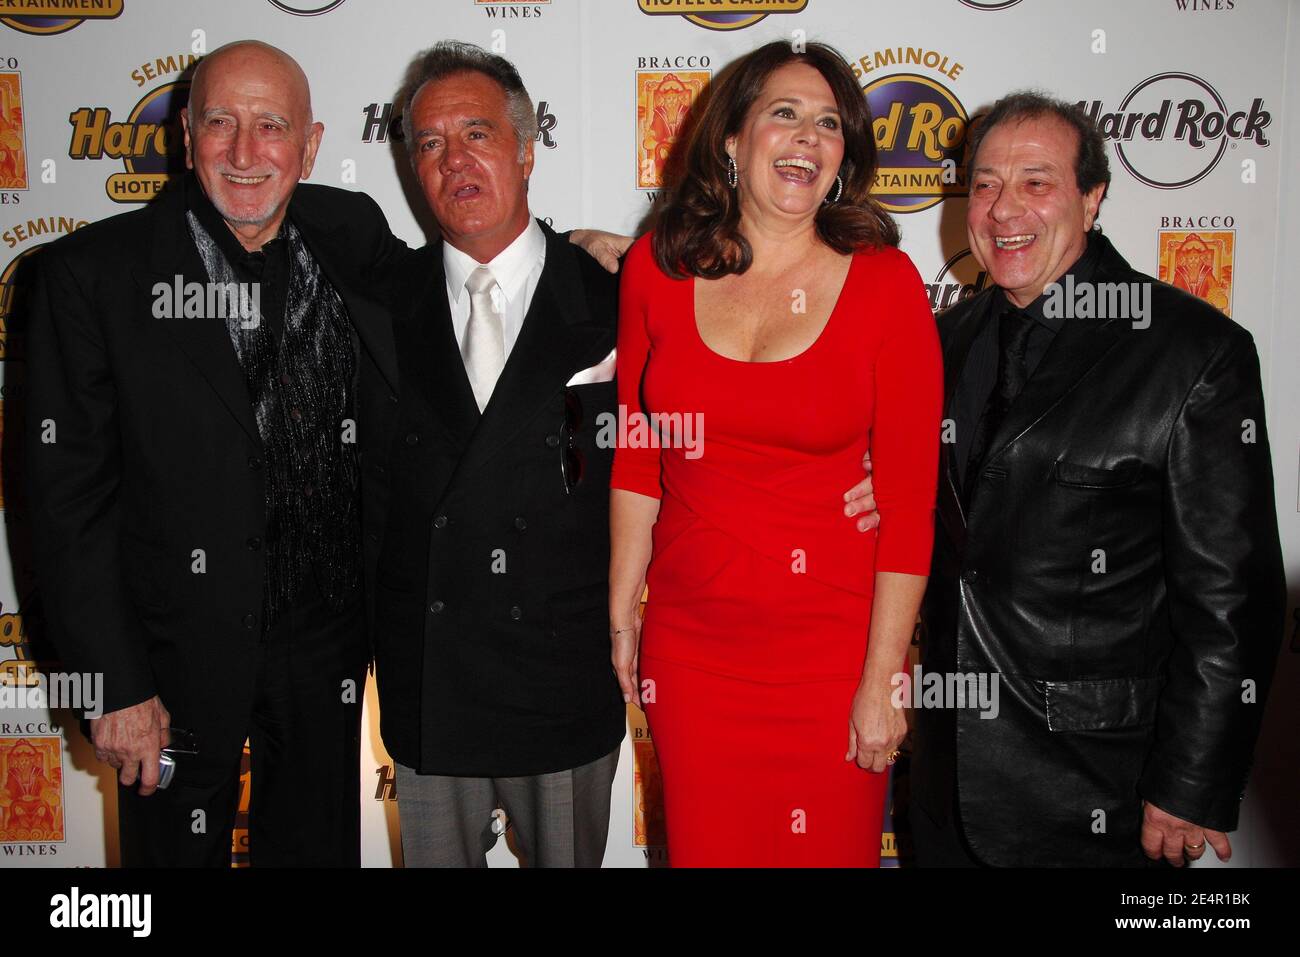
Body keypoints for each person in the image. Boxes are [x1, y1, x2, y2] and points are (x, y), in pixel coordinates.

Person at [22, 37, 627, 868]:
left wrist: (582, 246)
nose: (244, 153)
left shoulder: (351, 234)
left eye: (271, 125)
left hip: (324, 656)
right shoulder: (92, 277)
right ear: (185, 135)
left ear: (309, 145)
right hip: (171, 660)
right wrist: (114, 683)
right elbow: (65, 503)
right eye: (220, 124)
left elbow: (487, 264)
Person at [366, 41, 881, 868]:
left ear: (528, 150)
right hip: (432, 680)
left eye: (479, 134)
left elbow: (707, 431)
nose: (454, 160)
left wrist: (870, 470)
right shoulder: (378, 301)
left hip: (567, 672)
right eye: (428, 143)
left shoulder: (623, 283)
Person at [912, 91, 1285, 867]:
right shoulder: (937, 342)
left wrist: (1191, 781)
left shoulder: (1193, 353)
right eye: (984, 184)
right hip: (943, 788)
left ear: (1092, 197)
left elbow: (1233, 599)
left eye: (1037, 182)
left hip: (1099, 795)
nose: (1004, 208)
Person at [609, 40, 943, 867]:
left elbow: (907, 503)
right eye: (784, 113)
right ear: (731, 139)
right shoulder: (659, 266)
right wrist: (622, 607)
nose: (808, 137)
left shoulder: (886, 283)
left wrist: (882, 677)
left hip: (834, 656)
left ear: (843, 157)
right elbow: (638, 450)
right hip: (692, 652)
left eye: (829, 123)